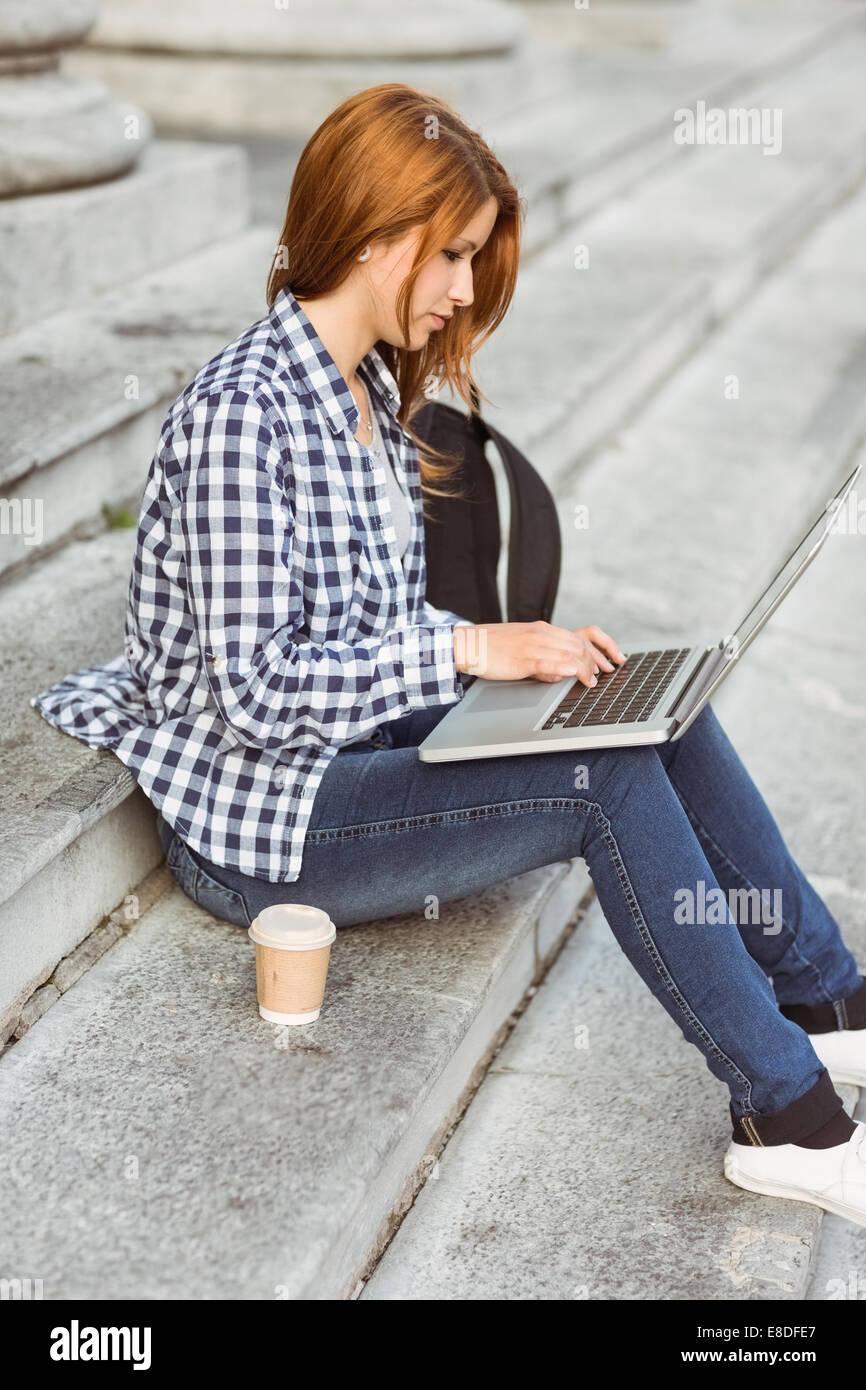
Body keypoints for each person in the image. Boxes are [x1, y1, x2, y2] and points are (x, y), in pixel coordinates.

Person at [30, 83, 866, 1228]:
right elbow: (260, 693)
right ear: (378, 236)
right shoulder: (240, 417)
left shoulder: (366, 388)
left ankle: (826, 997)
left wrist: (517, 655)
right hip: (265, 819)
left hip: (348, 745)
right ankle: (788, 1117)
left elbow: (376, 621)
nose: (468, 290)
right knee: (603, 777)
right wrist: (470, 645)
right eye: (454, 256)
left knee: (638, 704)